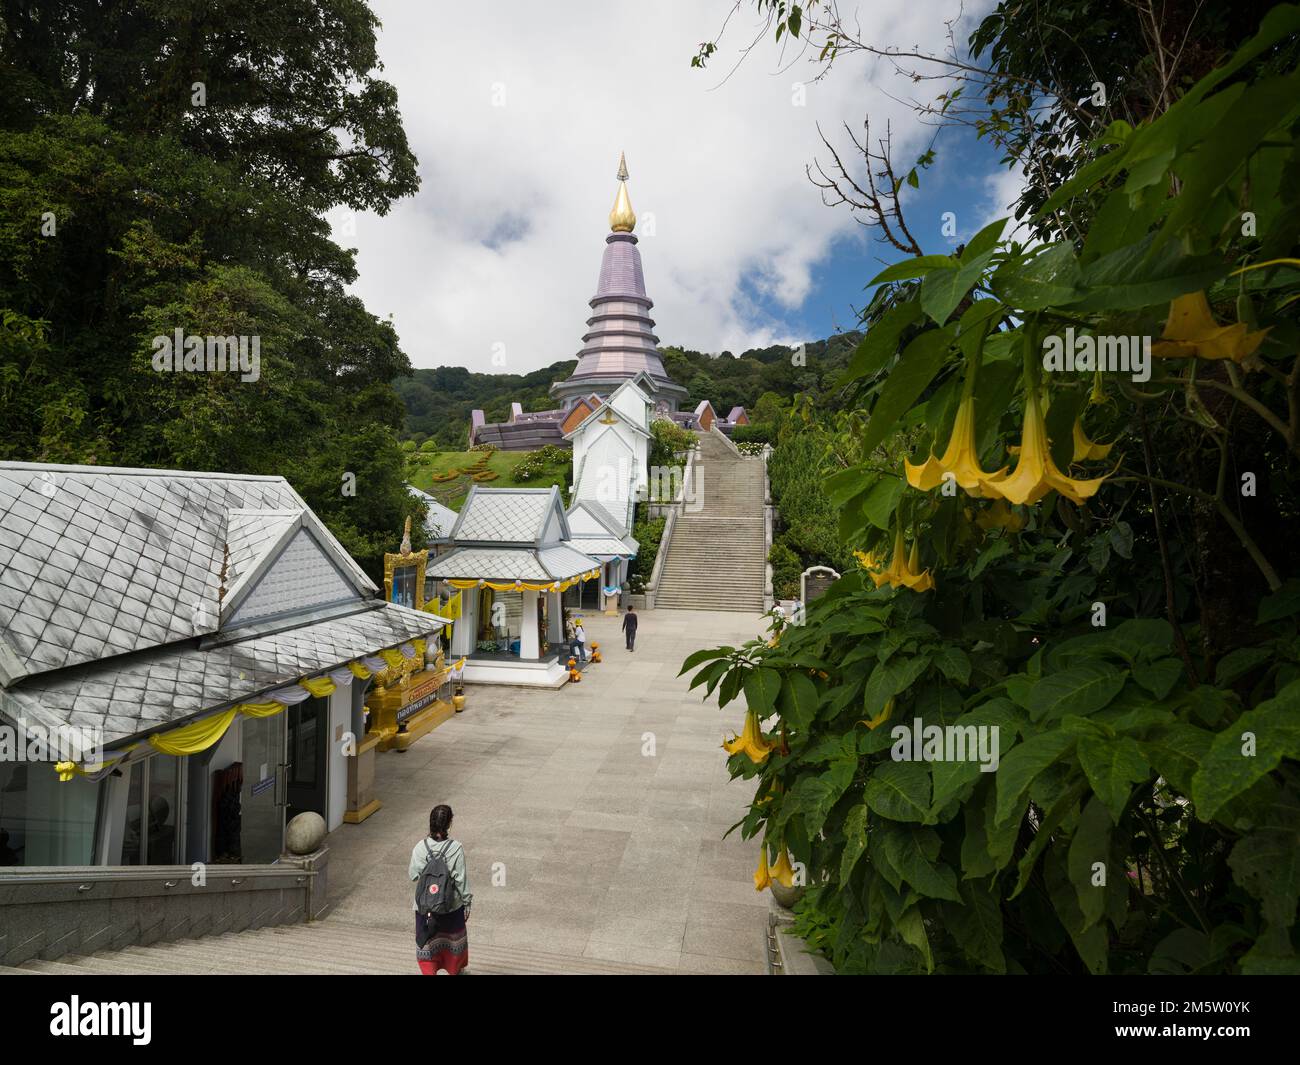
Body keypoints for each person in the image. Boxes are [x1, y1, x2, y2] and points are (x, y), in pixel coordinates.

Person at [409, 804, 471, 975]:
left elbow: (413, 875)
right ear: (449, 823)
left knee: (428, 945)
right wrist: (467, 902)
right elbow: (461, 880)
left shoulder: (420, 847)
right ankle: (455, 971)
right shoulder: (456, 848)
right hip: (450, 907)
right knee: (453, 945)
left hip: (425, 907)